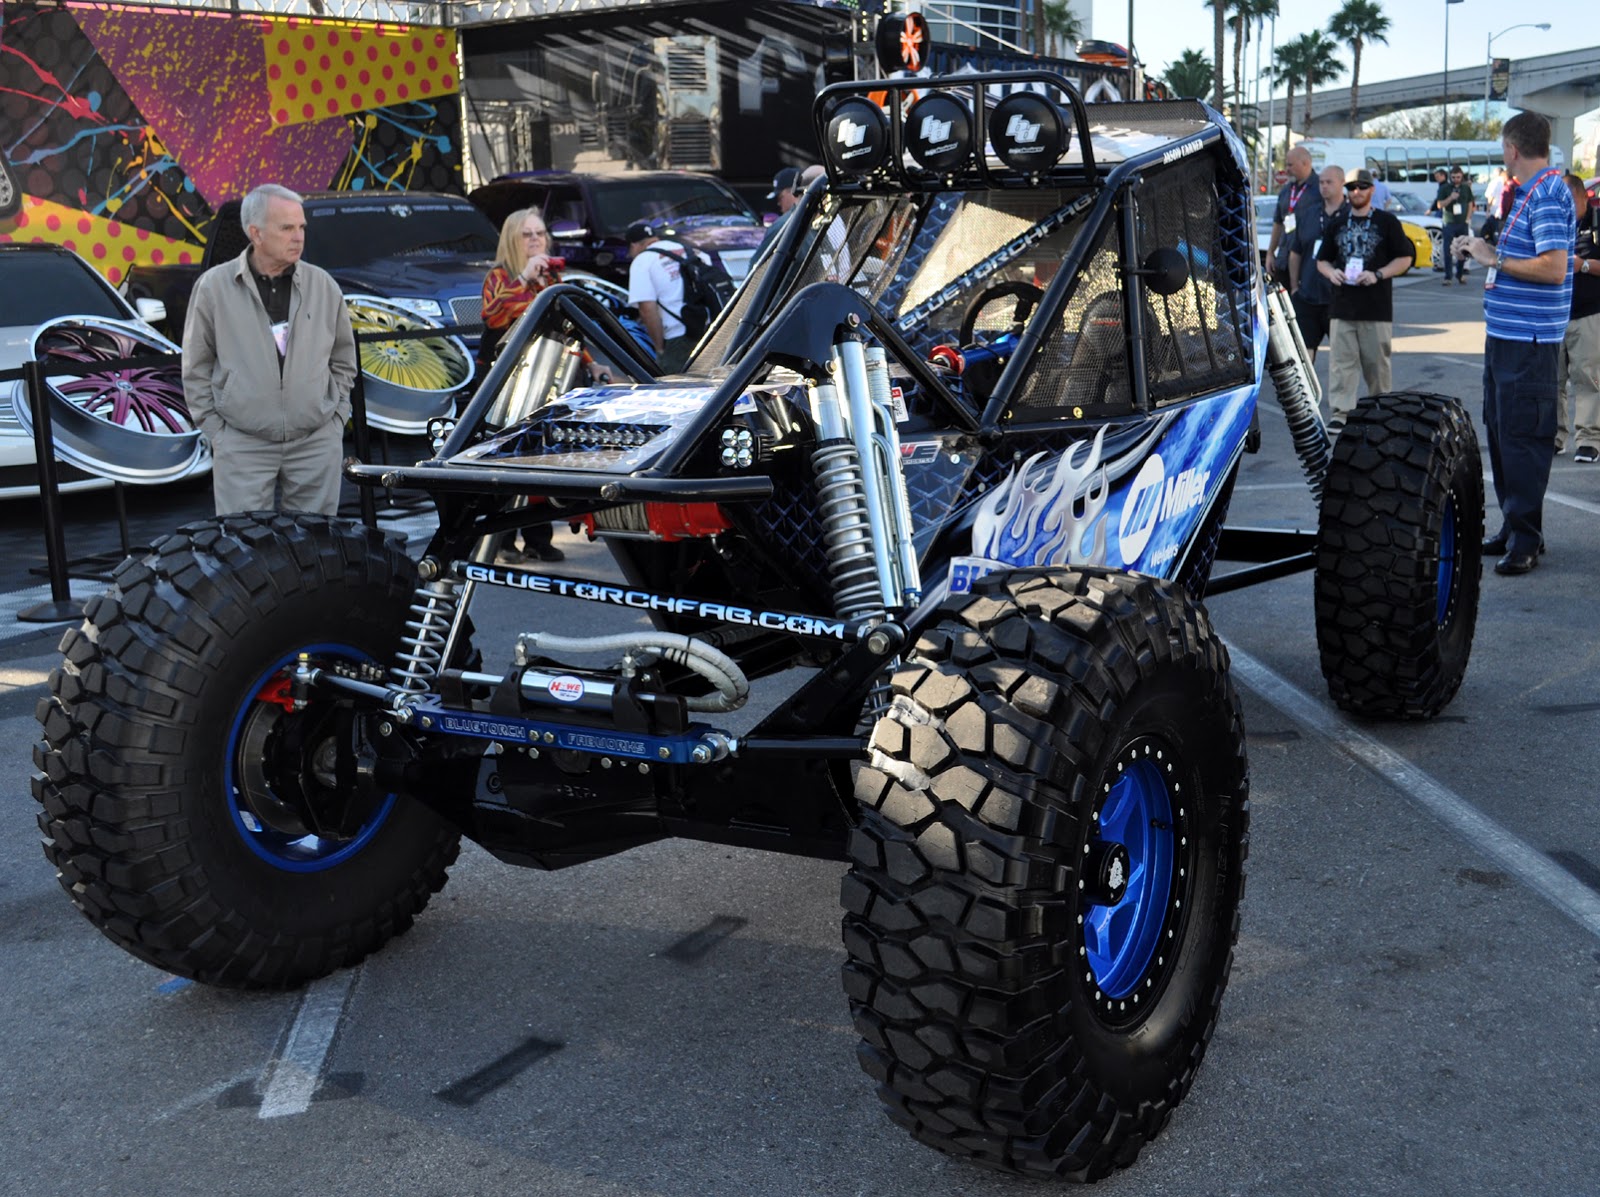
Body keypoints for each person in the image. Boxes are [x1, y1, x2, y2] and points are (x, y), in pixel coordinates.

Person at [182, 182, 355, 517]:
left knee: (316, 548)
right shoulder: (214, 288)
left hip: (315, 442)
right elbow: (195, 365)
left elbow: (344, 359)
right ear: (256, 234)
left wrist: (335, 420)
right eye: (286, 227)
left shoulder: (323, 286)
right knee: (243, 550)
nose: (298, 236)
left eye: (302, 227)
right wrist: (219, 433)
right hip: (243, 444)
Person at [1455, 112, 1576, 576]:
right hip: (1508, 337)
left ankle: (1525, 538)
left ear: (1512, 149)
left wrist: (1495, 258)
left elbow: (1553, 268)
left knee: (1523, 438)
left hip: (1529, 342)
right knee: (1504, 434)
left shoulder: (1545, 194)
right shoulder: (1529, 192)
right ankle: (1514, 526)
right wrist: (1477, 249)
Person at [479, 207, 567, 562]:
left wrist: (594, 365)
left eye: (540, 233)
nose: (535, 240)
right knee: (505, 456)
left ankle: (538, 536)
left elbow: (564, 324)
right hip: (505, 380)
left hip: (545, 376)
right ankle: (500, 538)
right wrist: (525, 280)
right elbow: (493, 314)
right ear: (512, 240)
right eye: (527, 234)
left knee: (543, 457)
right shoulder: (499, 276)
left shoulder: (553, 278)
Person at [1314, 168, 1415, 433]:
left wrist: (1378, 274)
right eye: (1351, 188)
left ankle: (1380, 410)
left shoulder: (1387, 221)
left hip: (1375, 306)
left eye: (1362, 187)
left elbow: (1405, 258)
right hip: (1342, 304)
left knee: (1377, 364)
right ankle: (1341, 412)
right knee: (1341, 364)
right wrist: (1331, 272)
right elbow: (1322, 260)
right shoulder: (1338, 222)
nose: (1356, 192)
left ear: (1372, 189)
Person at [626, 221, 710, 373]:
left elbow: (647, 310)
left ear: (634, 245)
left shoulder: (642, 261)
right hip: (711, 330)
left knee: (676, 388)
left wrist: (659, 349)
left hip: (678, 336)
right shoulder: (693, 251)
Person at [1557, 172, 1600, 463]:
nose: (1564, 206)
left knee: (1587, 379)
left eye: (1569, 200)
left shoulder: (1596, 223)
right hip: (1555, 314)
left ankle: (1589, 439)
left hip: (1588, 312)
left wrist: (1582, 265)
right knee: (1552, 380)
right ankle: (1554, 437)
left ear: (1583, 196)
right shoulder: (1554, 220)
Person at [1286, 164, 1348, 364]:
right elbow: (1295, 252)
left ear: (1342, 183)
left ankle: (1340, 396)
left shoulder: (1351, 215)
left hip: (1339, 298)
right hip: (1308, 296)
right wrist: (1295, 287)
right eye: (1321, 182)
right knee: (1304, 354)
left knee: (1341, 356)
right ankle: (1309, 396)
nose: (1324, 186)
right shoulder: (1309, 214)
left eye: (1329, 182)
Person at [1267, 146, 1318, 286]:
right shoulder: (1286, 190)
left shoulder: (1320, 188)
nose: (1287, 169)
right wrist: (1270, 252)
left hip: (1307, 263)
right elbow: (1278, 223)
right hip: (1283, 260)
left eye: (1290, 165)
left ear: (1305, 163)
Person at [1438, 166, 1475, 285]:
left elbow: (1470, 203)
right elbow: (1439, 205)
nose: (1456, 179)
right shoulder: (1445, 188)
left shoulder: (1466, 188)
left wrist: (1468, 218)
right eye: (1453, 177)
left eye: (1458, 177)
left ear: (1462, 176)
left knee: (1462, 250)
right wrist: (1450, 198)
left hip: (1462, 223)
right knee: (1448, 250)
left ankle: (1460, 274)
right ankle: (1448, 276)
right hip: (1449, 222)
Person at [1427, 167, 1451, 271]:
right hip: (1444, 214)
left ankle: (1440, 263)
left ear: (1443, 176)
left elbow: (1438, 200)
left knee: (1442, 240)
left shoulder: (1443, 187)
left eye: (1438, 177)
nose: (1436, 179)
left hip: (1442, 215)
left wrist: (1431, 209)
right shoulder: (1445, 186)